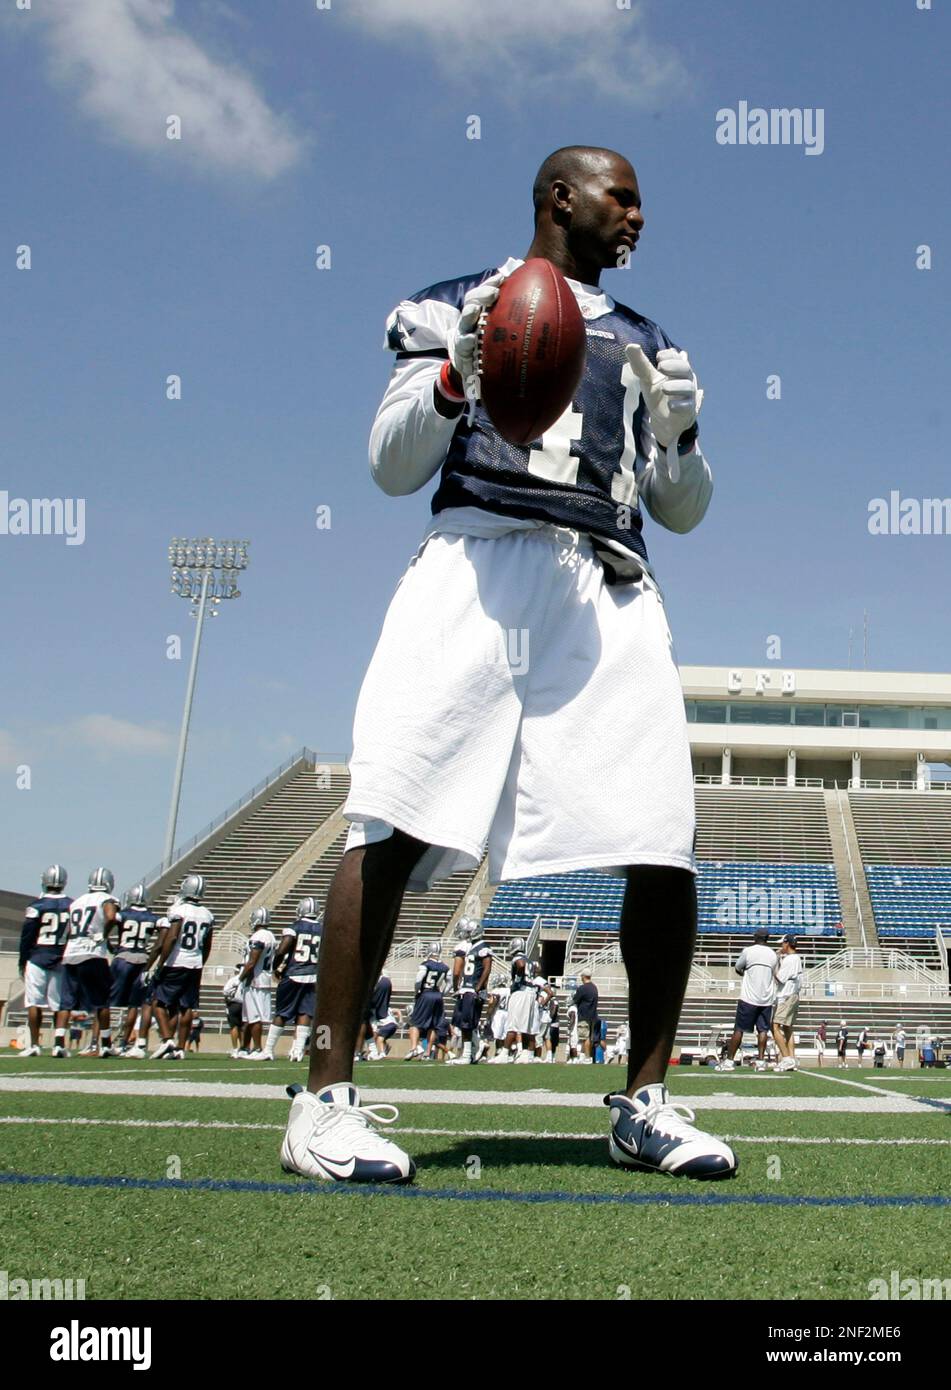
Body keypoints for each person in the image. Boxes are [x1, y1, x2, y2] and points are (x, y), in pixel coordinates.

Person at [280, 145, 734, 1184]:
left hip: (604, 579)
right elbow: (391, 464)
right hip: (474, 561)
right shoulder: (457, 302)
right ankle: (324, 1099)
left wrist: (686, 432)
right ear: (558, 198)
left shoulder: (651, 340)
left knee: (663, 840)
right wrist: (456, 373)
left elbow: (686, 510)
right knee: (390, 817)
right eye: (622, 196)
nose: (638, 216)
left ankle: (646, 1100)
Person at [54, 867, 120, 1058]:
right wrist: (105, 935)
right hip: (91, 954)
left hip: (70, 953)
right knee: (102, 1002)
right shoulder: (107, 900)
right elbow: (111, 917)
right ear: (109, 883)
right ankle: (106, 1043)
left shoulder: (77, 902)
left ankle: (58, 1043)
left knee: (66, 1003)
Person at [149, 875, 215, 1060]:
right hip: (195, 963)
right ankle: (180, 1048)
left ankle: (167, 1040)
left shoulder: (178, 910)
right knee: (186, 1007)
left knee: (158, 1003)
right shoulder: (208, 915)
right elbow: (208, 945)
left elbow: (171, 938)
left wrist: (160, 963)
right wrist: (200, 962)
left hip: (177, 961)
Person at [18, 865, 72, 1057]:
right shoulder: (71, 905)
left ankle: (34, 1044)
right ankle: (58, 1044)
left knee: (34, 1003)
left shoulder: (36, 906)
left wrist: (22, 960)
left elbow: (27, 937)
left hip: (38, 956)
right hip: (61, 957)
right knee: (60, 1004)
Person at [266, 898, 323, 1062]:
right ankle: (297, 1052)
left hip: (293, 974)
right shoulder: (322, 929)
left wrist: (276, 967)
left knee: (282, 1013)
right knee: (305, 1013)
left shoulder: (294, 927)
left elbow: (282, 949)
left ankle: (269, 1050)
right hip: (312, 976)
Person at [109, 883, 159, 1056]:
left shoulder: (122, 915)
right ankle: (125, 1043)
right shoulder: (153, 918)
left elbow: (108, 920)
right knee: (135, 1005)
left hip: (123, 957)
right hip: (142, 958)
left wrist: (109, 945)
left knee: (106, 1001)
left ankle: (101, 1041)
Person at [718, 930, 778, 1071]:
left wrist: (746, 971)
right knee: (762, 1030)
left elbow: (738, 968)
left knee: (739, 1029)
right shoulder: (773, 954)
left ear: (755, 937)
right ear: (767, 939)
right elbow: (774, 973)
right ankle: (761, 1062)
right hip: (766, 999)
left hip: (749, 998)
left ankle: (729, 1061)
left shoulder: (748, 951)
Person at [234, 907, 277, 1060]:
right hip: (263, 978)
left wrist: (239, 979)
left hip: (254, 980)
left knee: (254, 1017)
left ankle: (258, 1048)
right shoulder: (271, 936)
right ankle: (245, 1048)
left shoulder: (258, 936)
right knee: (249, 1016)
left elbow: (252, 962)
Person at [449, 918, 492, 1064]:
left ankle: (467, 1055)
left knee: (467, 1024)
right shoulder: (472, 947)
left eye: (469, 931)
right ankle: (470, 1054)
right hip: (466, 987)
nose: (467, 934)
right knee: (464, 1023)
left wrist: (479, 987)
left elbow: (487, 969)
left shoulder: (483, 947)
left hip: (472, 989)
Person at [771, 935, 804, 1073]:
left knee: (774, 1026)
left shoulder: (790, 959)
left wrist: (772, 964)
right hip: (793, 995)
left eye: (782, 944)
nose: (781, 947)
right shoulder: (795, 958)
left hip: (786, 996)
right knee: (787, 1027)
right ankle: (792, 1058)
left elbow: (779, 978)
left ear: (787, 944)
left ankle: (786, 1059)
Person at [406, 955, 449, 1059]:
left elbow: (418, 980)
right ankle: (427, 1052)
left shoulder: (426, 964)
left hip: (426, 993)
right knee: (432, 1025)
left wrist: (417, 992)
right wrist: (443, 994)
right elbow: (450, 983)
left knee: (414, 1023)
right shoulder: (445, 967)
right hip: (437, 995)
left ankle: (414, 1048)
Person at [572, 973, 600, 1062]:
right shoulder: (594, 987)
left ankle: (588, 1058)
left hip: (584, 1015)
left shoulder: (582, 988)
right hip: (593, 1015)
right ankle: (583, 1056)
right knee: (589, 1037)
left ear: (583, 976)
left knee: (585, 1038)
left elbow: (575, 1000)